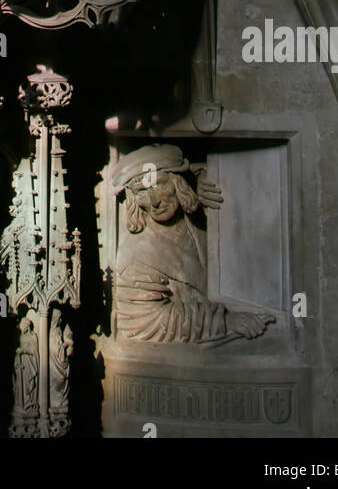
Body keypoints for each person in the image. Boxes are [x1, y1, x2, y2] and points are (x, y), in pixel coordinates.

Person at [112, 144, 274, 345]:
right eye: (141, 192)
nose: (154, 201)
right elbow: (144, 320)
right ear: (133, 199)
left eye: (158, 185)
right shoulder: (136, 254)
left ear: (178, 182)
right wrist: (222, 322)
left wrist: (202, 178)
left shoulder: (194, 221)